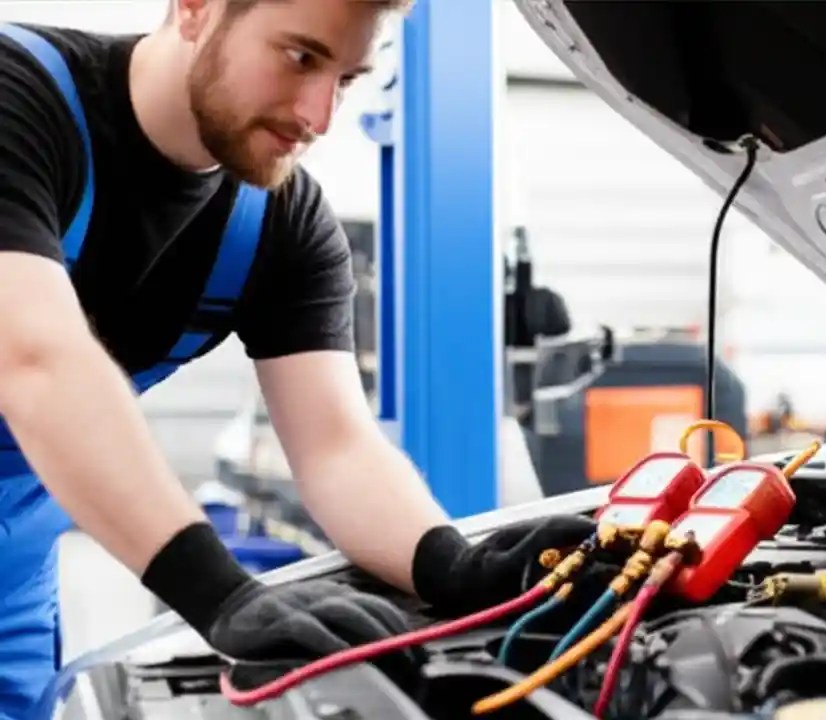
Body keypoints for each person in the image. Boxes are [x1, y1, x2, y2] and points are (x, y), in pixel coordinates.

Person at [0, 0, 597, 715]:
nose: (319, 116)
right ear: (194, 8)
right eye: (300, 57)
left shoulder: (279, 224)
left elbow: (336, 448)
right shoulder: (19, 103)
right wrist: (218, 594)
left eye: (346, 78)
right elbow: (35, 360)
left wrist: (449, 562)